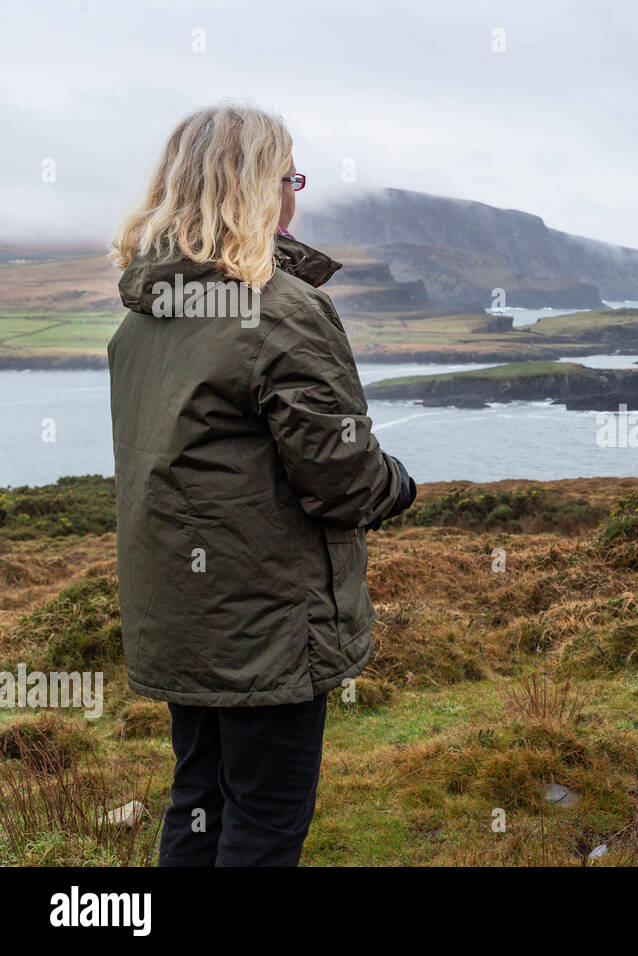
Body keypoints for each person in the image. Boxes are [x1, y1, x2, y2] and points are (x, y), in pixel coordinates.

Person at [107, 103, 416, 866]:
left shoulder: (145, 314)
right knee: (267, 820)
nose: (296, 194)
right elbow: (340, 477)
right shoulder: (279, 311)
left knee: (200, 801)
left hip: (180, 610)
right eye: (289, 177)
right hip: (268, 620)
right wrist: (396, 487)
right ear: (257, 189)